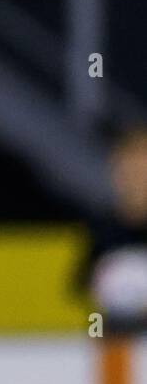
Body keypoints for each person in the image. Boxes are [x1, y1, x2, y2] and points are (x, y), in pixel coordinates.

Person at [76, 126, 147, 334]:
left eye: (142, 172)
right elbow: (83, 285)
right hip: (115, 331)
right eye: (130, 172)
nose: (137, 181)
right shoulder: (106, 228)